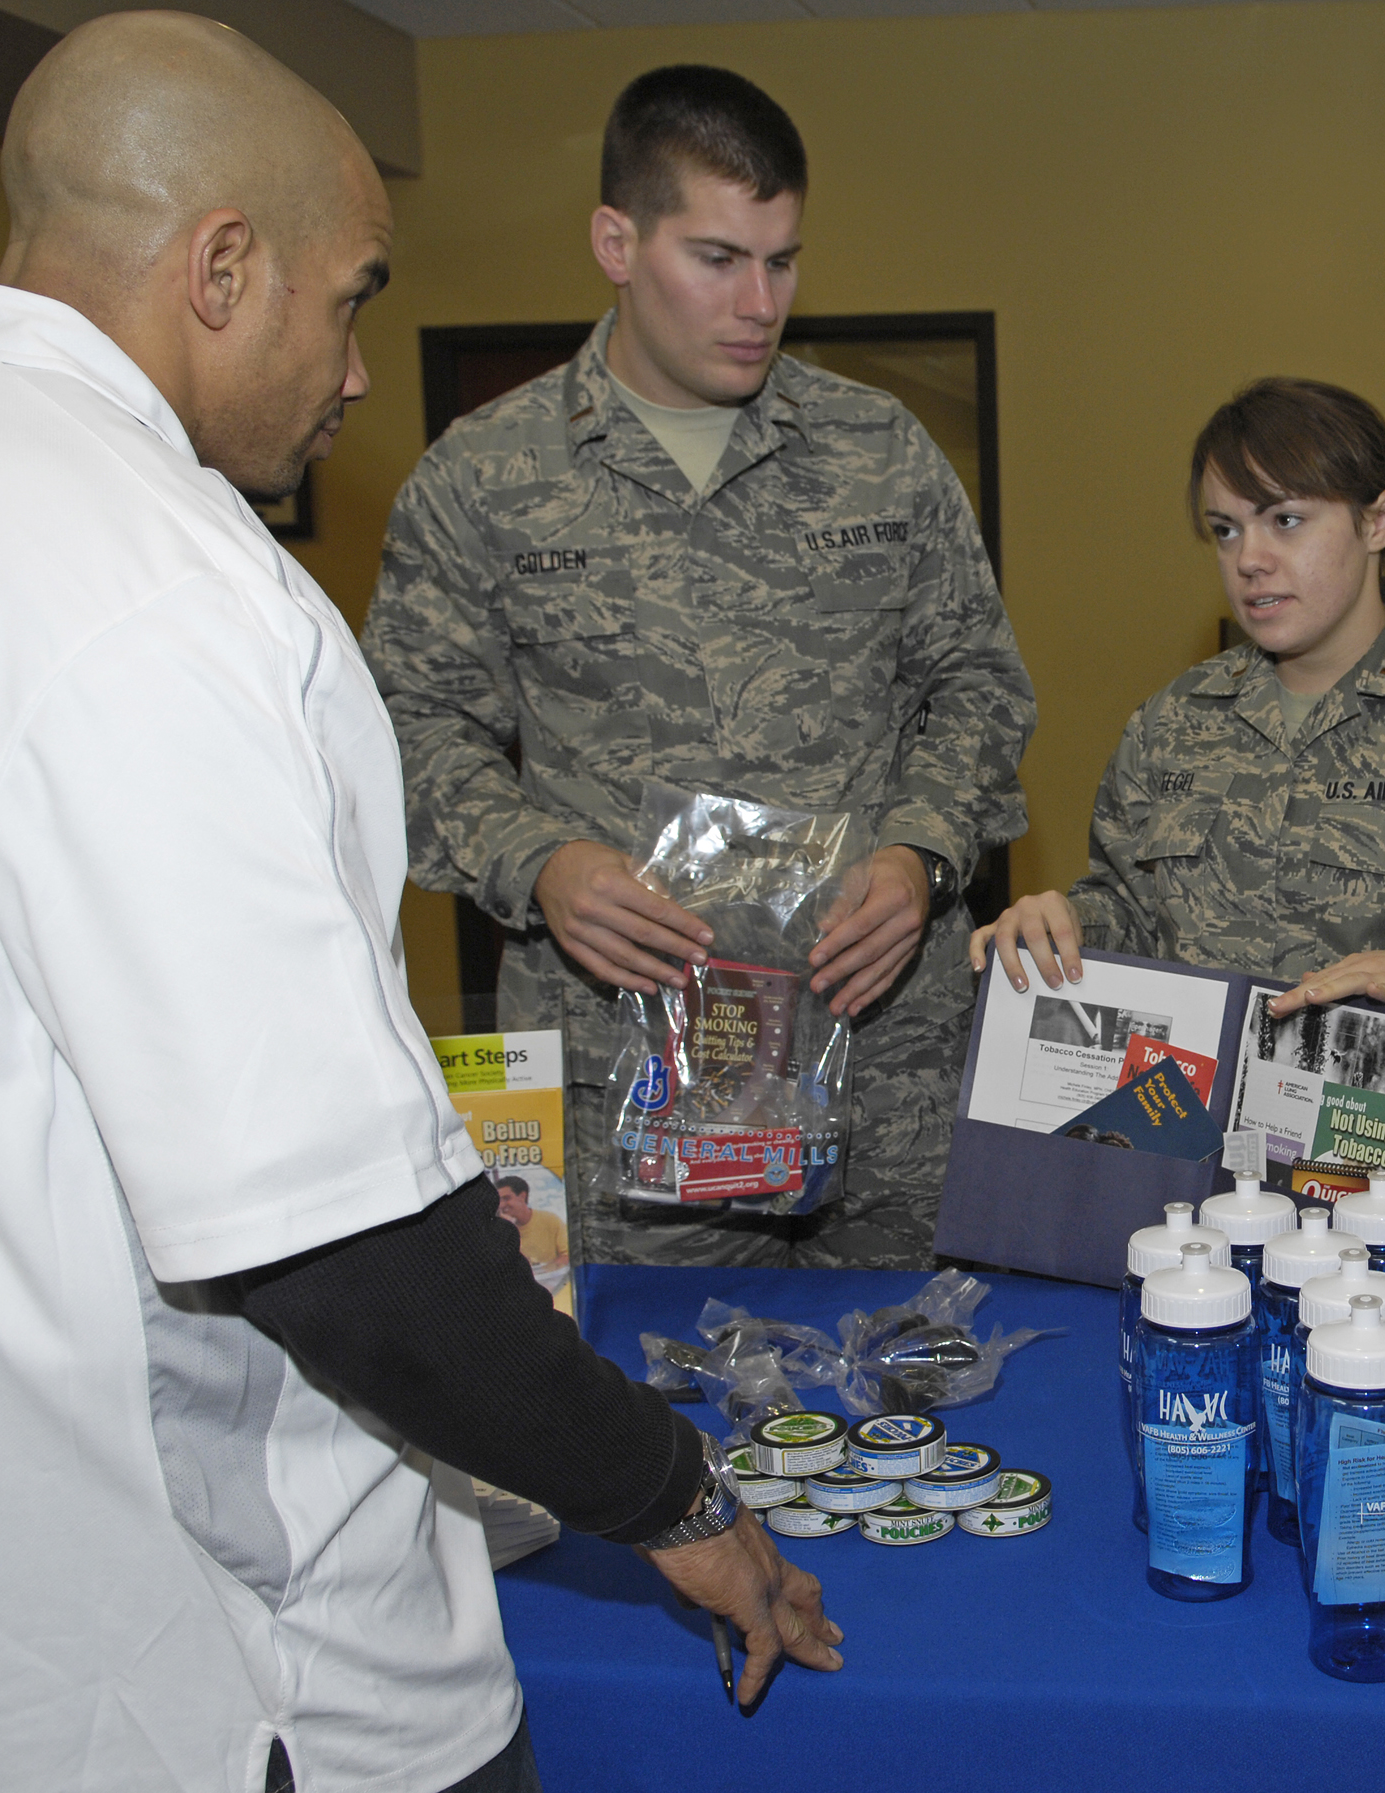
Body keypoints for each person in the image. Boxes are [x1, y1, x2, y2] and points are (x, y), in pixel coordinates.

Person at [0, 19, 839, 1791]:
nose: (354, 373)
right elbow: (326, 1229)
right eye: (345, 303)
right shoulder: (148, 586)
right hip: (224, 1654)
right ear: (221, 266)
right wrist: (669, 1493)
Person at [365, 65, 1034, 1272]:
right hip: (637, 1064)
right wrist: (543, 861)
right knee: (656, 1415)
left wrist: (922, 847)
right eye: (718, 258)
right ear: (616, 242)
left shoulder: (880, 453)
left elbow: (978, 688)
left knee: (928, 1403)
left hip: (886, 1051)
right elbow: (407, 728)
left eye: (783, 261)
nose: (760, 301)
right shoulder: (486, 477)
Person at [972, 378, 1385, 1202]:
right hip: (1190, 1183)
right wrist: (1068, 923)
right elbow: (1132, 910)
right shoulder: (1171, 724)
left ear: (1379, 519)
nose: (1248, 558)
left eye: (1285, 520)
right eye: (1225, 530)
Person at [497, 1174, 571, 1277]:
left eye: (506, 1198)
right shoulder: (498, 1230)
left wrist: (545, 1272)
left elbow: (567, 1255)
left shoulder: (550, 1220)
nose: (501, 1205)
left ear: (522, 1196)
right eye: (499, 1200)